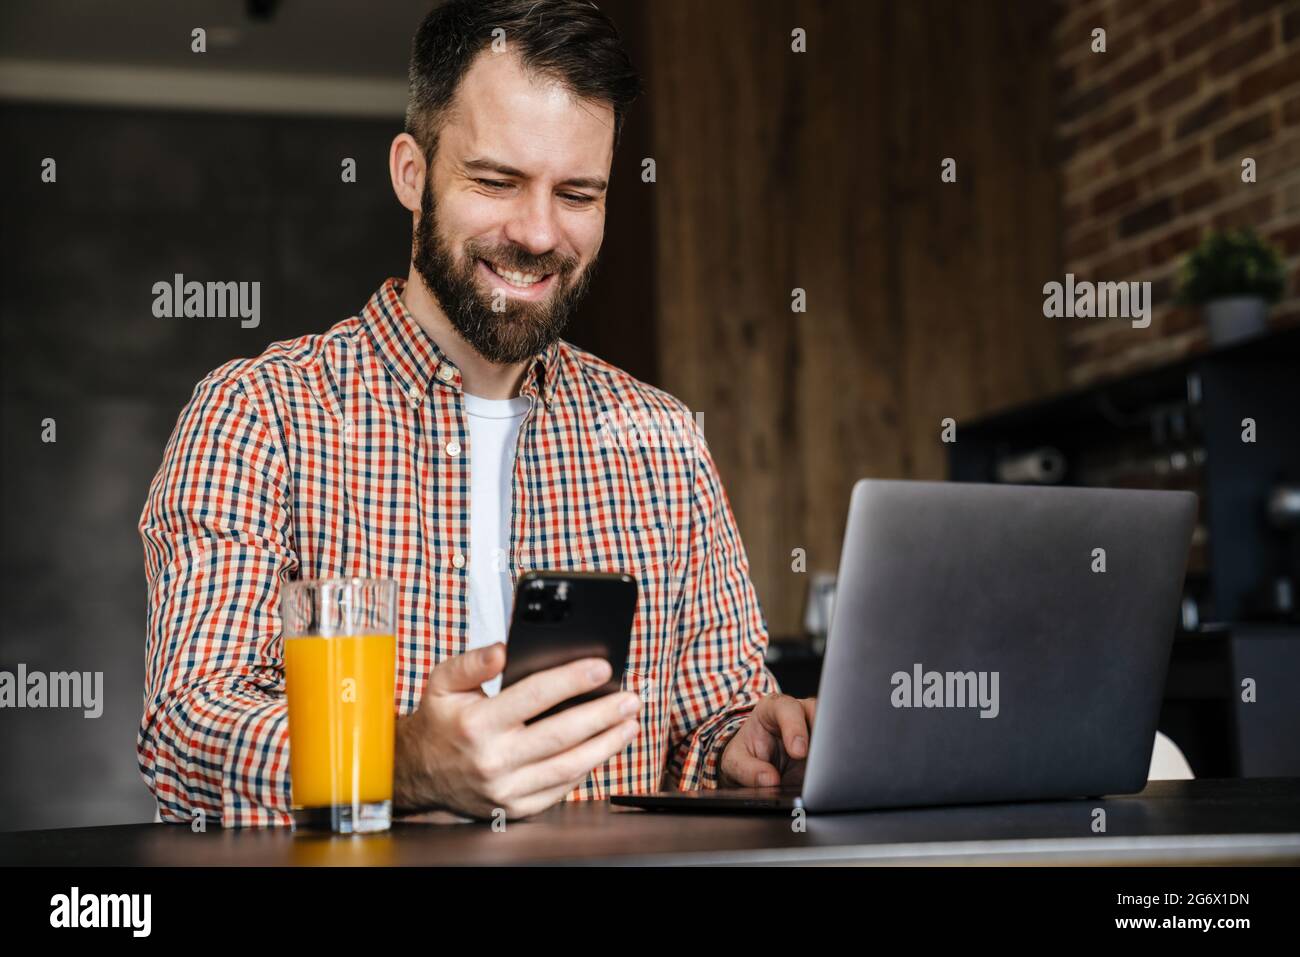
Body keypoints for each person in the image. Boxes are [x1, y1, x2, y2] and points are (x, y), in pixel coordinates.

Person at [137, 0, 815, 827]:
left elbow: (713, 714)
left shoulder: (664, 439)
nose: (537, 232)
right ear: (410, 173)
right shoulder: (258, 415)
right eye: (496, 181)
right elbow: (187, 732)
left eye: (577, 193)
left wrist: (748, 738)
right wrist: (404, 762)